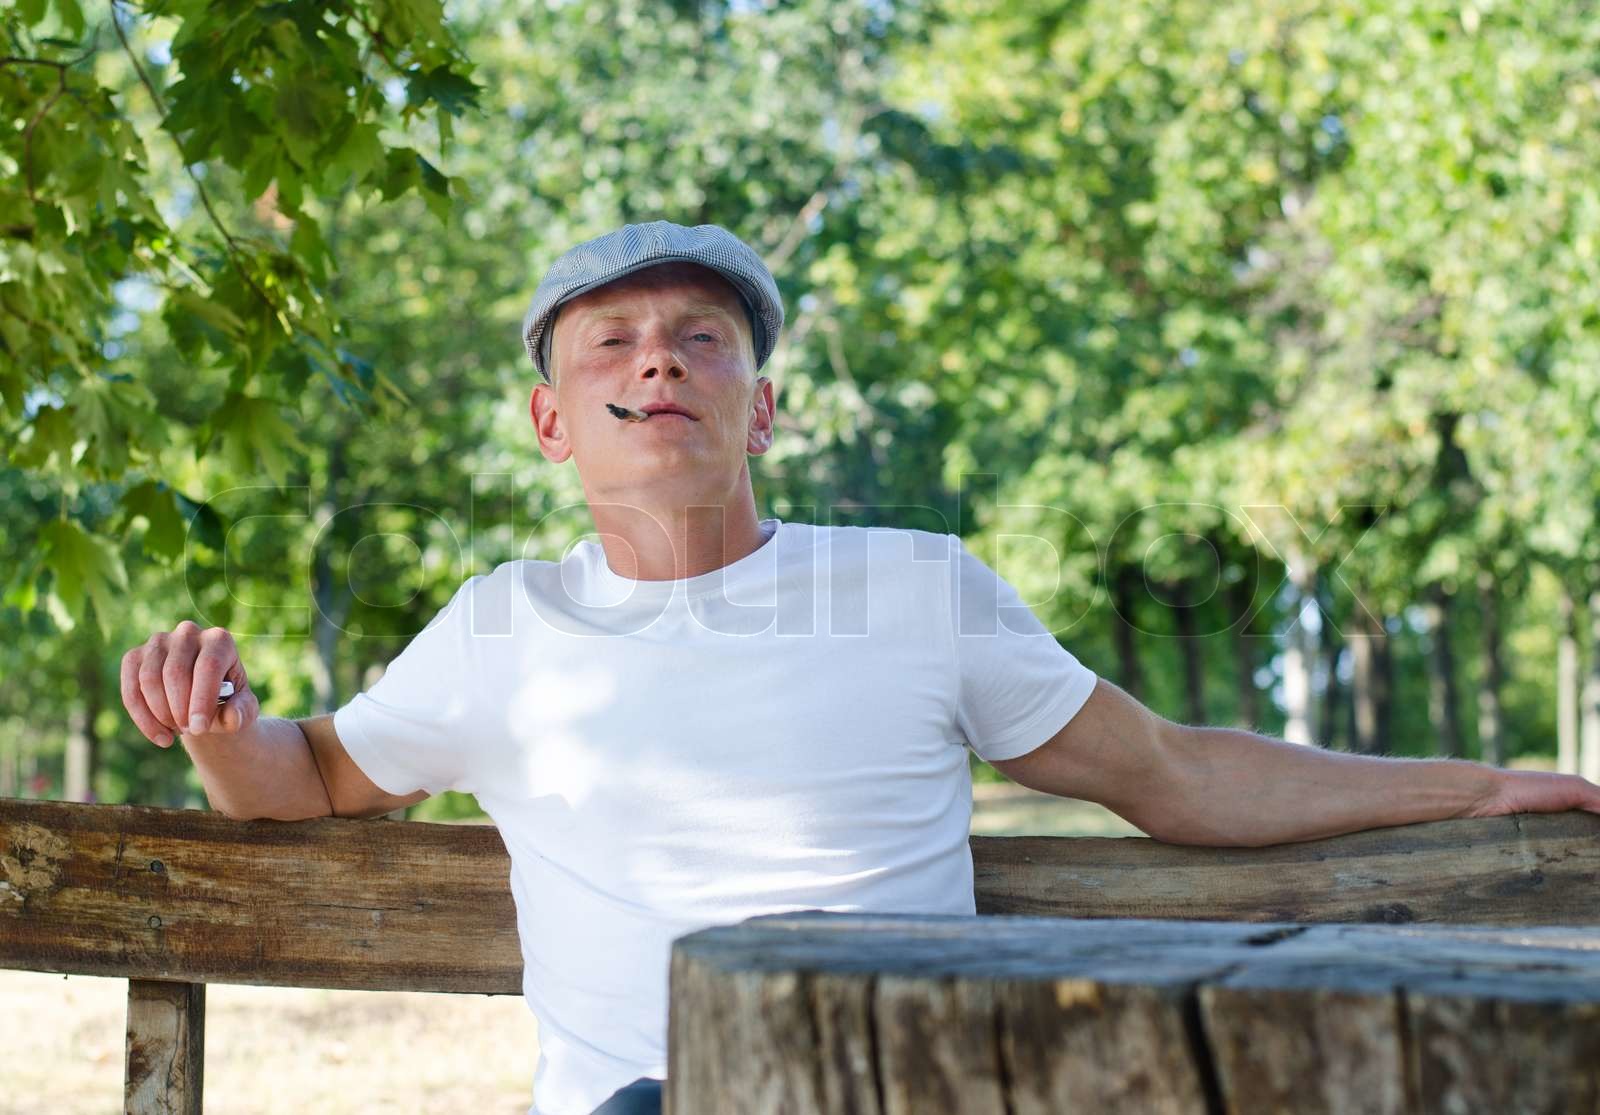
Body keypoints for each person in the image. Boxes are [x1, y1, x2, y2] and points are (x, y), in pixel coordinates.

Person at [119, 220, 1600, 1115]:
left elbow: (1173, 774)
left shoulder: (914, 585)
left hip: (895, 1086)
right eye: (613, 344)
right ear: (552, 422)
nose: (659, 363)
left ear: (760, 412)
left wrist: (1479, 788)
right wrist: (219, 717)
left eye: (702, 341)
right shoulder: (502, 625)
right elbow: (303, 779)